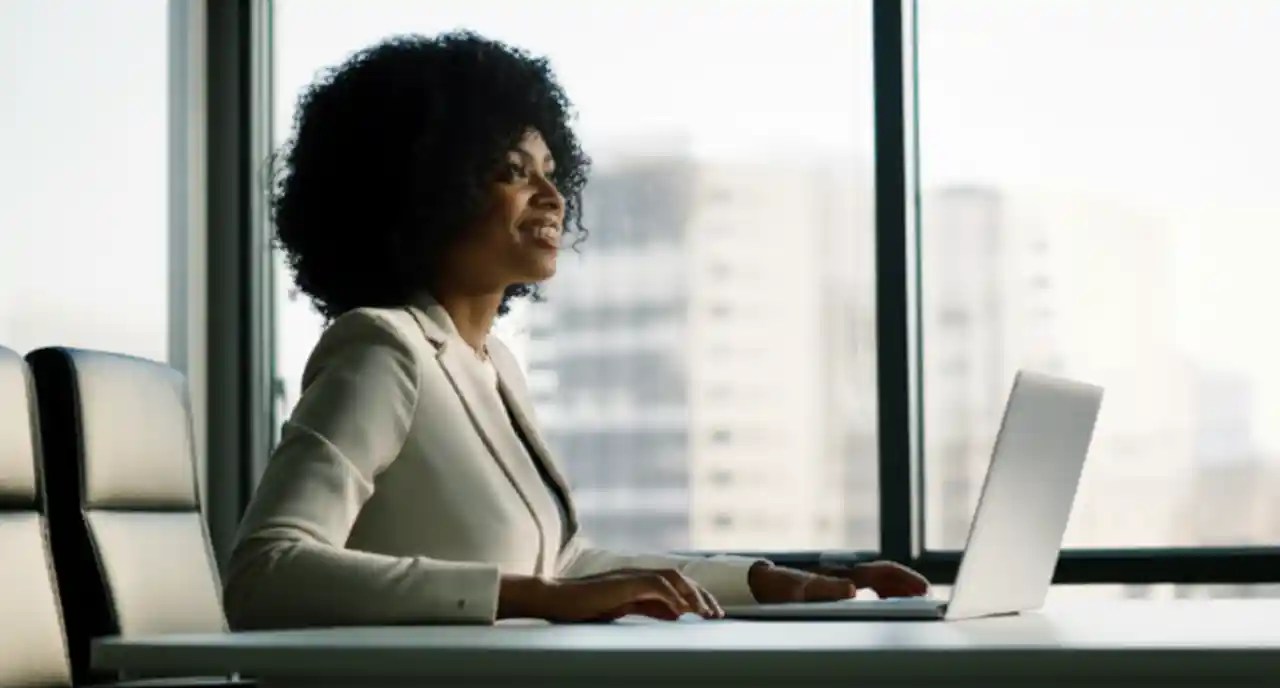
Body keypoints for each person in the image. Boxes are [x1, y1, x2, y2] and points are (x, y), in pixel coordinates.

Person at [223, 31, 928, 629]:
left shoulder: (490, 363)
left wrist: (774, 582)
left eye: (552, 172)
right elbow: (265, 572)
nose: (553, 197)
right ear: (419, 187)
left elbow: (565, 563)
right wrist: (539, 600)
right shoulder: (383, 349)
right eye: (511, 172)